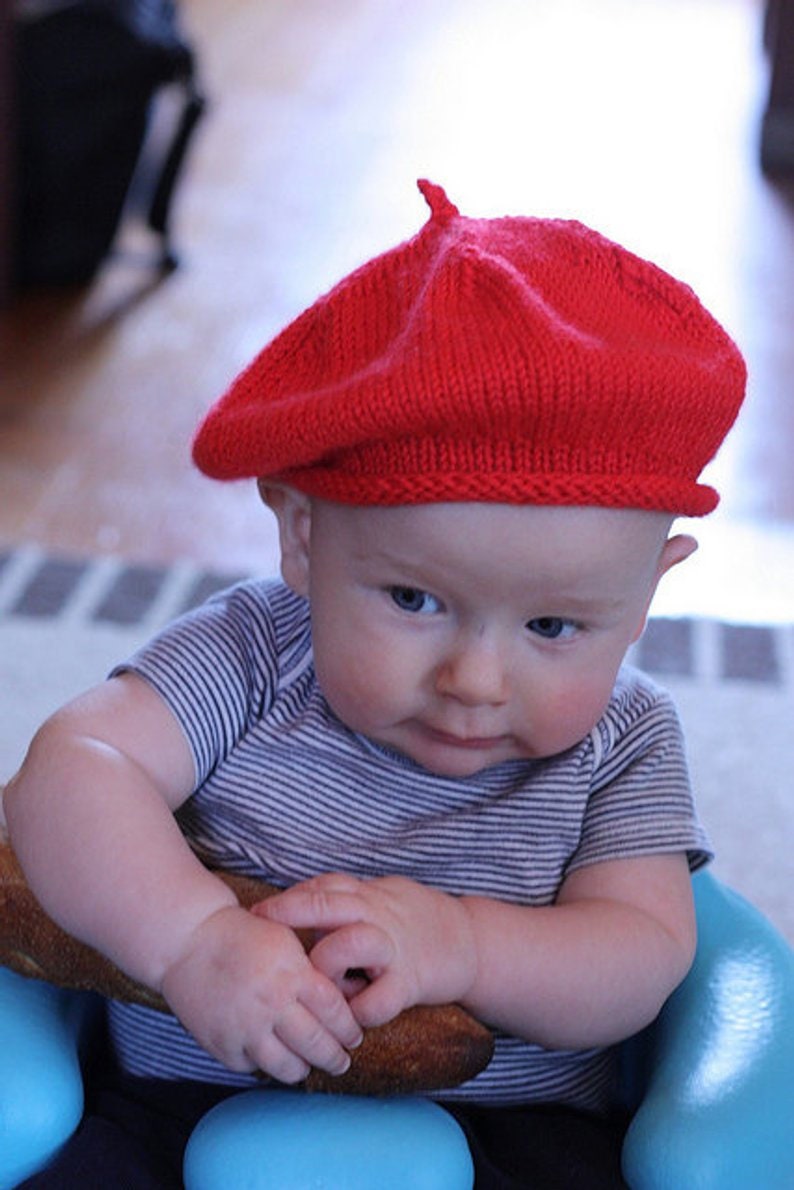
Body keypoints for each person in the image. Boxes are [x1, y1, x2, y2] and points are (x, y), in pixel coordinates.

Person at [4, 180, 746, 1188]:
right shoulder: (255, 656)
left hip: (506, 1127)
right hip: (184, 1100)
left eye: (551, 624)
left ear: (645, 595)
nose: (474, 678)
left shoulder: (624, 739)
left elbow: (644, 954)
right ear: (302, 536)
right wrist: (190, 939)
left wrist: (467, 946)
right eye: (411, 598)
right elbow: (72, 769)